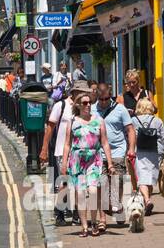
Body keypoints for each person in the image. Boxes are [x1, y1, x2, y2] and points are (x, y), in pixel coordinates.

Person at [63, 86, 110, 238]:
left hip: (94, 159)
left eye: (89, 102)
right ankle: (84, 226)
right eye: (84, 103)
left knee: (93, 190)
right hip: (77, 160)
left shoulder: (99, 121)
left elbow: (105, 143)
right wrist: (64, 163)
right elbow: (67, 144)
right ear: (78, 105)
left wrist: (109, 163)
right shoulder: (73, 122)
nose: (88, 105)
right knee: (81, 193)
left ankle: (94, 222)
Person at [40, 78, 86, 226]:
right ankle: (59, 213)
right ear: (74, 92)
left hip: (80, 152)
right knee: (65, 183)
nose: (83, 95)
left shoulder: (84, 107)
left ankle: (76, 215)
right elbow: (50, 127)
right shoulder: (61, 105)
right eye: (81, 92)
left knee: (79, 184)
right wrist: (44, 149)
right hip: (62, 151)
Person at [95, 81, 136, 228]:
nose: (104, 102)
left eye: (107, 98)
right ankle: (106, 215)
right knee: (101, 185)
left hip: (118, 151)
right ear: (97, 97)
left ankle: (117, 206)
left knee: (117, 182)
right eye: (101, 99)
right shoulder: (92, 110)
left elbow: (130, 130)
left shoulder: (120, 109)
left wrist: (131, 148)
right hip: (99, 154)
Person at [130, 97, 164, 216]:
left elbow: (131, 136)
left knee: (142, 177)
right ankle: (147, 200)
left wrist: (129, 150)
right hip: (156, 151)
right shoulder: (158, 121)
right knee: (150, 178)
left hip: (140, 151)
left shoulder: (134, 120)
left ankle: (147, 200)